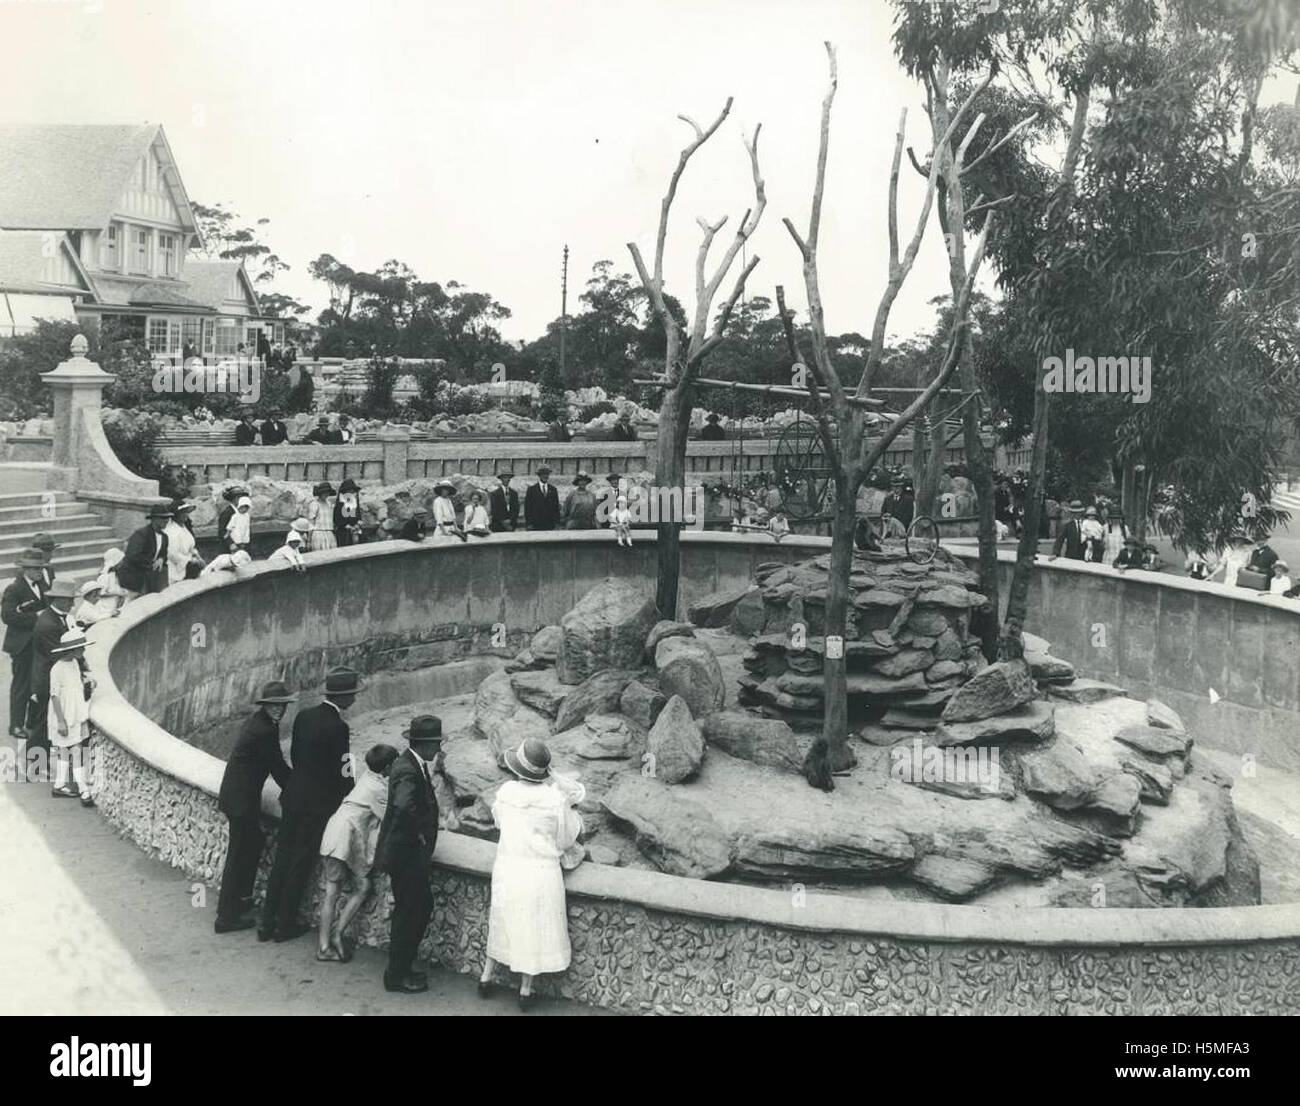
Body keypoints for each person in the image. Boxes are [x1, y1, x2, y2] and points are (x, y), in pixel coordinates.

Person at [478, 737, 584, 1010]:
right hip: (540, 872)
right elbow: (565, 839)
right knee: (534, 926)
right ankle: (525, 990)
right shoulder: (554, 800)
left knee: (502, 919)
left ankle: (486, 976)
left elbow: (499, 822)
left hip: (509, 866)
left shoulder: (506, 793)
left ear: (517, 769)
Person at [259, 665, 362, 943]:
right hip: (315, 805)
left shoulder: (304, 716)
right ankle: (284, 925)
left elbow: (295, 756)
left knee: (283, 858)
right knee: (300, 862)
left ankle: (266, 923)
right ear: (343, 698)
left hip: (293, 796)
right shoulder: (339, 727)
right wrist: (351, 795)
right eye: (352, 694)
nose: (354, 699)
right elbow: (342, 771)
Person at [213, 679, 296, 933]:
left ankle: (237, 904)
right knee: (238, 855)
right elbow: (277, 767)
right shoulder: (265, 730)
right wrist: (298, 789)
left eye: (282, 705)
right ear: (265, 705)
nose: (279, 710)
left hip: (237, 796)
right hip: (241, 800)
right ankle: (226, 918)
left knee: (252, 843)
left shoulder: (258, 722)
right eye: (274, 705)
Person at [374, 715, 445, 994]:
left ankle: (401, 968)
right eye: (436, 743)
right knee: (411, 911)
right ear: (426, 745)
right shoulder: (408, 768)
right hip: (406, 854)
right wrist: (419, 835)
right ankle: (397, 974)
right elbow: (404, 807)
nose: (438, 748)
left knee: (416, 908)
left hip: (405, 853)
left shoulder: (411, 763)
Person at [316, 743, 398, 962]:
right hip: (342, 839)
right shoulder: (378, 789)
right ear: (388, 767)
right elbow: (390, 817)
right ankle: (325, 946)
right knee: (333, 892)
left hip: (338, 834)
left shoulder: (368, 778)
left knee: (360, 887)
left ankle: (334, 936)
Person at [27, 578, 79, 773]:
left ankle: (38, 762)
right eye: (68, 600)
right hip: (45, 679)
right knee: (42, 724)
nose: (71, 604)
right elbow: (58, 653)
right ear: (57, 599)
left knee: (43, 722)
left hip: (47, 677)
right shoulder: (48, 624)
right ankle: (35, 764)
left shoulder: (55, 618)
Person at [3, 548, 48, 742]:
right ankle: (15, 724)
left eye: (40, 568)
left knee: (35, 682)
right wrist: (35, 617)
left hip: (38, 644)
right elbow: (7, 616)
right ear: (25, 569)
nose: (39, 571)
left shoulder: (42, 585)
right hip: (21, 645)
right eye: (35, 568)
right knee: (21, 685)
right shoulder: (14, 589)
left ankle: (30, 721)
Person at [47, 629, 95, 807]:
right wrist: (60, 721)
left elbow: (76, 685)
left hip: (76, 712)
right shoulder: (57, 669)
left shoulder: (75, 663)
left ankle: (59, 784)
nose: (82, 651)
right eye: (80, 648)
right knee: (75, 750)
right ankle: (84, 790)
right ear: (71, 650)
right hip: (64, 715)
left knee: (67, 750)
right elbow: (54, 696)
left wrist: (88, 684)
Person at [119, 504, 173, 599]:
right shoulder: (141, 534)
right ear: (154, 519)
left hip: (150, 577)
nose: (166, 520)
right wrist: (151, 563)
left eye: (168, 518)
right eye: (163, 518)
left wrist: (161, 559)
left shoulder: (164, 537)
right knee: (133, 603)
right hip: (134, 576)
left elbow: (163, 553)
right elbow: (133, 556)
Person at [165, 501, 204, 584]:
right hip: (176, 569)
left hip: (188, 566)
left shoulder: (184, 528)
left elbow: (191, 547)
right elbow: (172, 554)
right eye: (183, 513)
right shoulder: (171, 531)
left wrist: (198, 556)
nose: (186, 515)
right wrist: (189, 560)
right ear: (176, 515)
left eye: (187, 512)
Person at [524, 466, 561, 531]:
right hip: (535, 525)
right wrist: (529, 524)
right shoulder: (531, 490)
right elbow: (527, 508)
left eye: (547, 474)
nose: (545, 476)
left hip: (550, 525)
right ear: (539, 475)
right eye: (543, 474)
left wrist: (557, 523)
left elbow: (556, 508)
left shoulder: (553, 490)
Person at [308, 482, 338, 552]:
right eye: (324, 492)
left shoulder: (329, 504)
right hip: (318, 533)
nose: (326, 494)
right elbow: (311, 522)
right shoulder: (314, 504)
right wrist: (309, 540)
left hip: (329, 533)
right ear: (320, 493)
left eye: (327, 492)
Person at [334, 478, 363, 546]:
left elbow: (358, 516)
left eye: (352, 492)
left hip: (354, 531)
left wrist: (358, 522)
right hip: (344, 533)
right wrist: (346, 525)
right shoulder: (340, 504)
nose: (351, 493)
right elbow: (337, 520)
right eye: (349, 491)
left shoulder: (354, 504)